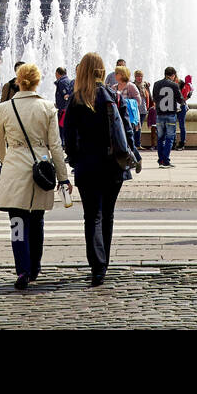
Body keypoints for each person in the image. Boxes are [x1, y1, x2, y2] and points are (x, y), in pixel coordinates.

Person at [63, 52, 138, 285]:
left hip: (87, 165)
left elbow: (68, 135)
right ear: (102, 70)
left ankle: (97, 265)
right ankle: (104, 262)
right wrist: (132, 156)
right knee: (108, 214)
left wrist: (75, 160)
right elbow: (127, 131)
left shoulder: (76, 99)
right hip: (113, 165)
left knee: (92, 216)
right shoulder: (114, 96)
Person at [0, 62, 70, 290]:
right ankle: (35, 267)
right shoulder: (47, 107)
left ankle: (22, 269)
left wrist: (5, 160)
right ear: (38, 81)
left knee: (17, 221)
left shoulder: (6, 107)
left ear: (18, 80)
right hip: (41, 166)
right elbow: (55, 146)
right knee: (37, 220)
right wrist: (63, 177)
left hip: (15, 166)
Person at [151, 67, 184, 167]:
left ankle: (160, 160)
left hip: (160, 114)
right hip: (170, 114)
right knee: (170, 138)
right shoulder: (174, 85)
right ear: (173, 75)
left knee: (160, 138)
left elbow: (155, 98)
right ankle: (165, 160)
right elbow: (180, 99)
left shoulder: (156, 84)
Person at [133, 69, 151, 149]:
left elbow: (149, 96)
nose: (139, 78)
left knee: (139, 127)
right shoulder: (132, 85)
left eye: (141, 76)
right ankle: (134, 144)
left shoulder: (145, 85)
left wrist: (151, 105)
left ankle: (137, 144)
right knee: (134, 127)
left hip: (143, 109)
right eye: (138, 76)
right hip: (135, 109)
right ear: (135, 77)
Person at [176, 73, 193, 150]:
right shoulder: (171, 83)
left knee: (181, 125)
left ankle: (182, 143)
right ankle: (173, 142)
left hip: (181, 106)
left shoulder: (181, 83)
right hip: (174, 106)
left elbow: (188, 94)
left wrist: (183, 101)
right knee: (172, 125)